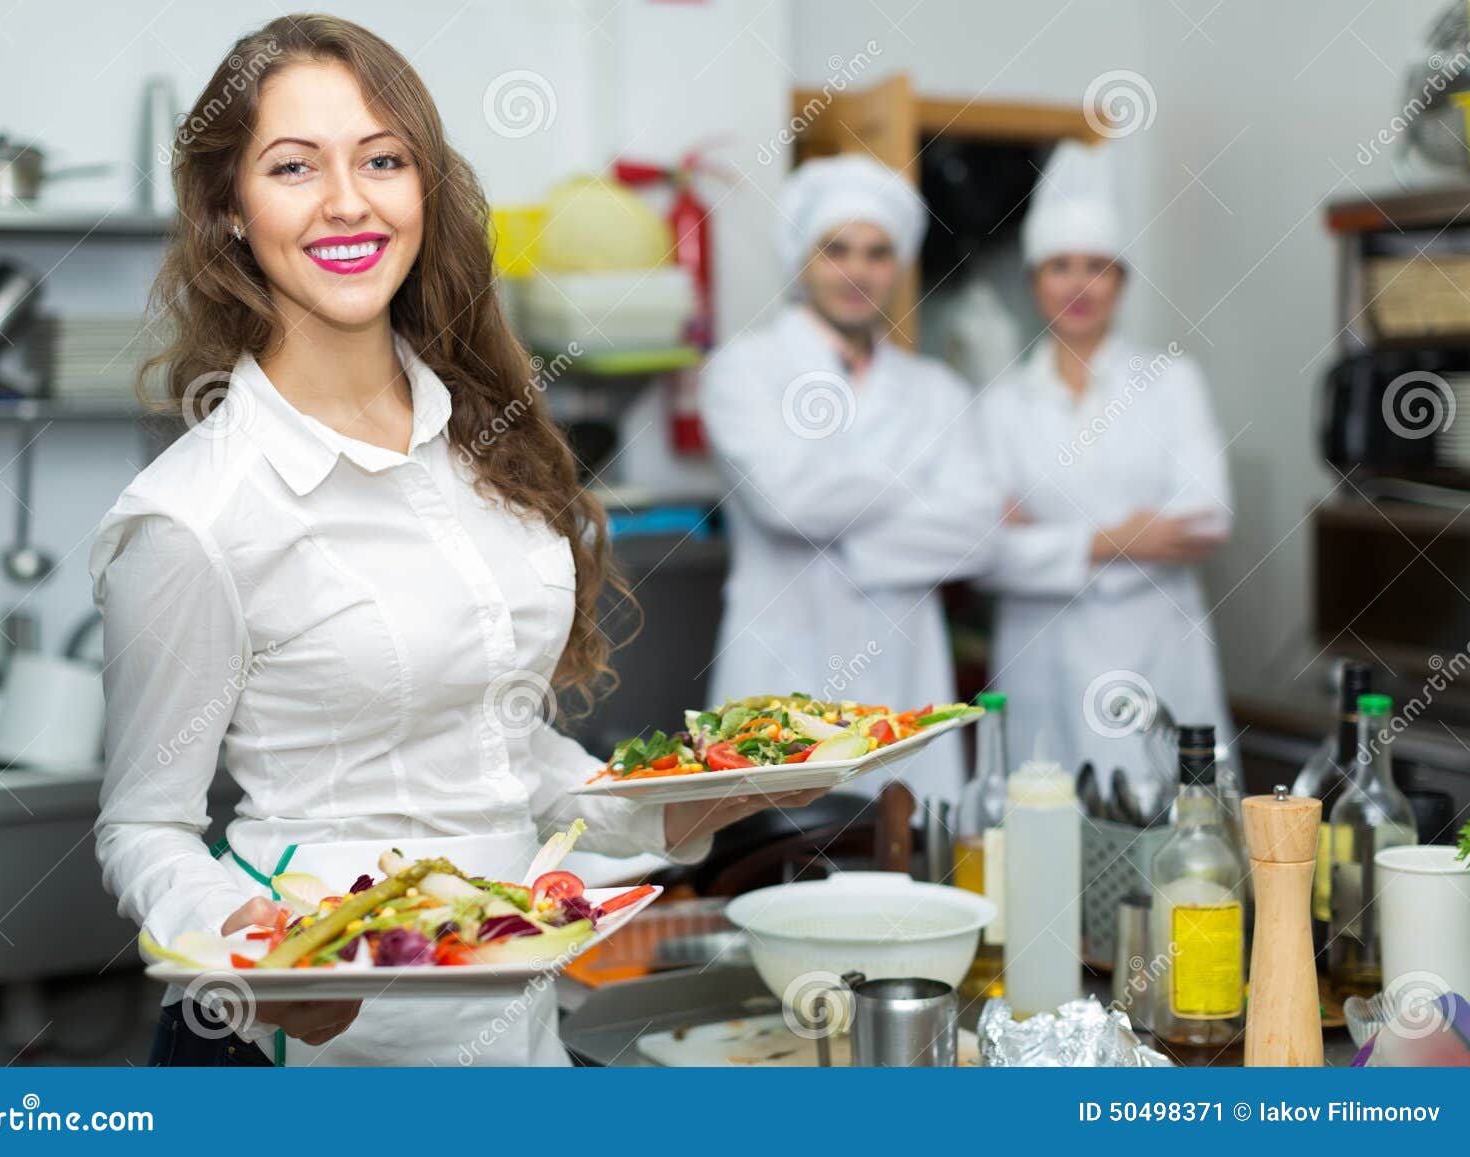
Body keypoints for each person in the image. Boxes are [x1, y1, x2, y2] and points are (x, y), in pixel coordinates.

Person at [91, 14, 819, 1068]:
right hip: (311, 1048)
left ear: (423, 190)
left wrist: (694, 800)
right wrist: (247, 953)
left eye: (382, 159)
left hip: (511, 1025)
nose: (348, 200)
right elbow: (142, 827)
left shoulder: (486, 446)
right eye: (294, 166)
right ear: (230, 212)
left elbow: (503, 756)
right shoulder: (194, 514)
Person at [699, 155, 1096, 803]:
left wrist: (854, 540)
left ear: (898, 265)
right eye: (837, 249)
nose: (857, 270)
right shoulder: (742, 371)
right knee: (772, 874)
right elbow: (788, 502)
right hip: (779, 672)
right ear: (803, 259)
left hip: (902, 680)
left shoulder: (934, 389)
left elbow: (978, 532)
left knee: (908, 871)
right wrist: (917, 474)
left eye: (878, 252)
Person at [977, 142, 1234, 780]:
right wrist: (1120, 540)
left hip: (1157, 653)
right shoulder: (998, 405)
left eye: (1098, 266)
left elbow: (1209, 518)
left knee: (1176, 847)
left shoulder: (1172, 381)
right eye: (1060, 266)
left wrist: (1048, 545)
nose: (1078, 285)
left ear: (1122, 280)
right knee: (1043, 837)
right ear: (1035, 280)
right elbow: (984, 552)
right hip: (1042, 658)